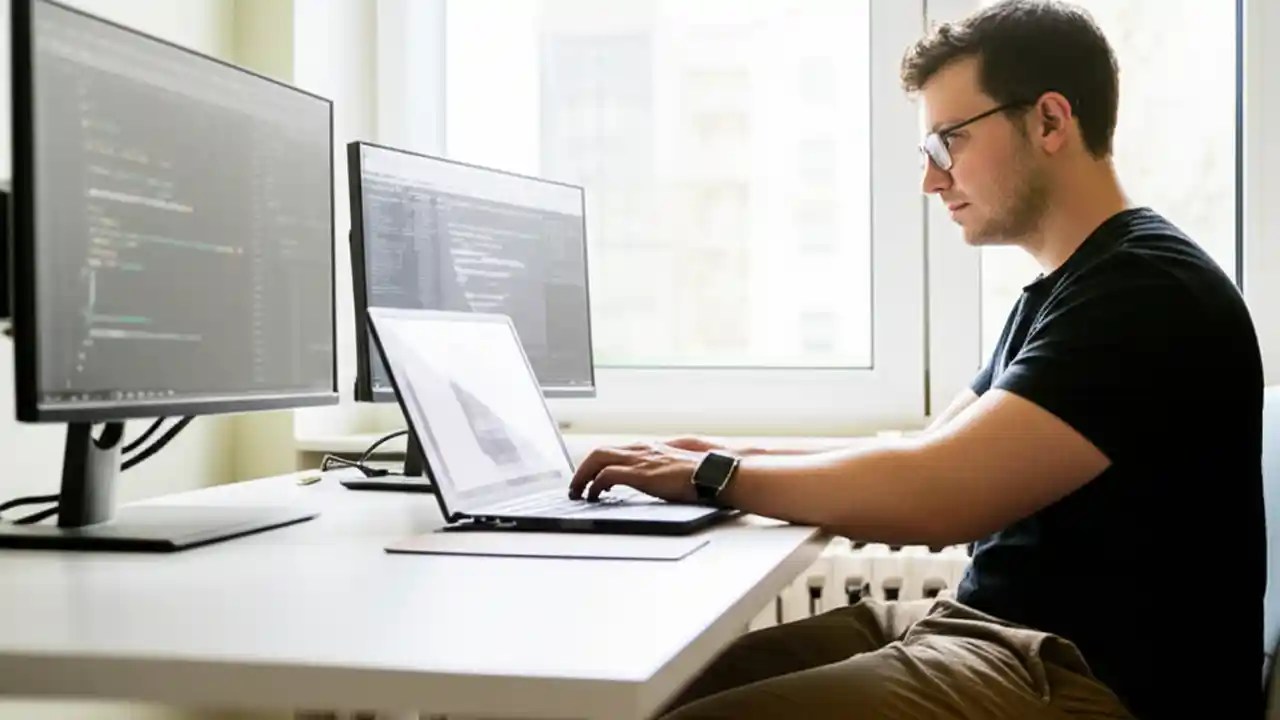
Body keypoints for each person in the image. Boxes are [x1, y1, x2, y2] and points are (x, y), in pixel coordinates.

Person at [567, 1, 1266, 718]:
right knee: (652, 692)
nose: (931, 180)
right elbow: (930, 450)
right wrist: (719, 456)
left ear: (1050, 121)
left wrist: (717, 477)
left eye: (948, 142)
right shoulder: (1073, 288)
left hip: (1082, 676)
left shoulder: (1145, 290)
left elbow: (936, 493)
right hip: (995, 633)